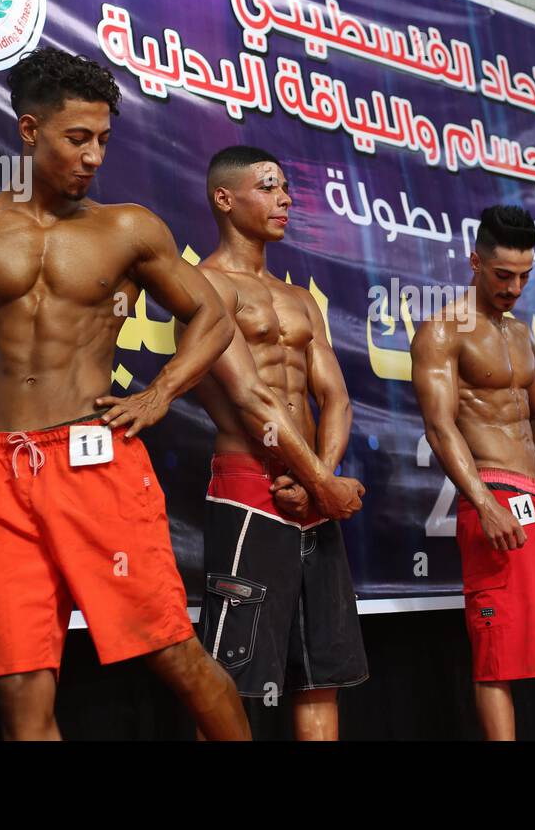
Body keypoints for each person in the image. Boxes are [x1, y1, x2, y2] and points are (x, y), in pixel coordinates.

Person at [0, 48, 249, 740]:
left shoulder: (127, 228)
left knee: (174, 653)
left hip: (95, 465)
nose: (94, 155)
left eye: (103, 139)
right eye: (77, 138)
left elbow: (211, 317)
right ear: (30, 131)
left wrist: (159, 394)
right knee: (21, 688)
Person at [187, 145, 367, 740]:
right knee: (230, 676)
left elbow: (336, 398)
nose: (285, 199)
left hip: (316, 495)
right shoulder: (203, 286)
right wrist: (321, 482)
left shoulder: (299, 299)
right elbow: (247, 399)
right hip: (249, 492)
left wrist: (322, 481)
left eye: (287, 188)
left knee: (318, 675)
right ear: (224, 197)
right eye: (268, 187)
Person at [410, 205, 535, 741]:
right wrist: (486, 503)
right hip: (492, 495)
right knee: (500, 655)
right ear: (474, 261)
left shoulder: (520, 334)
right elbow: (440, 427)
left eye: (524, 276)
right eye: (502, 275)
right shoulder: (443, 331)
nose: (514, 287)